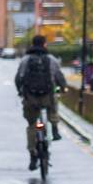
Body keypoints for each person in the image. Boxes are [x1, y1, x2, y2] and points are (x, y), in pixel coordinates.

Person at [14, 34, 66, 171]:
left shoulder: (26, 59)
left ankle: (33, 153)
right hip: (47, 96)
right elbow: (59, 75)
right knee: (53, 107)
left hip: (30, 97)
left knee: (32, 124)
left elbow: (18, 77)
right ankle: (54, 129)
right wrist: (63, 88)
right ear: (44, 44)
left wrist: (20, 91)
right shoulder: (51, 59)